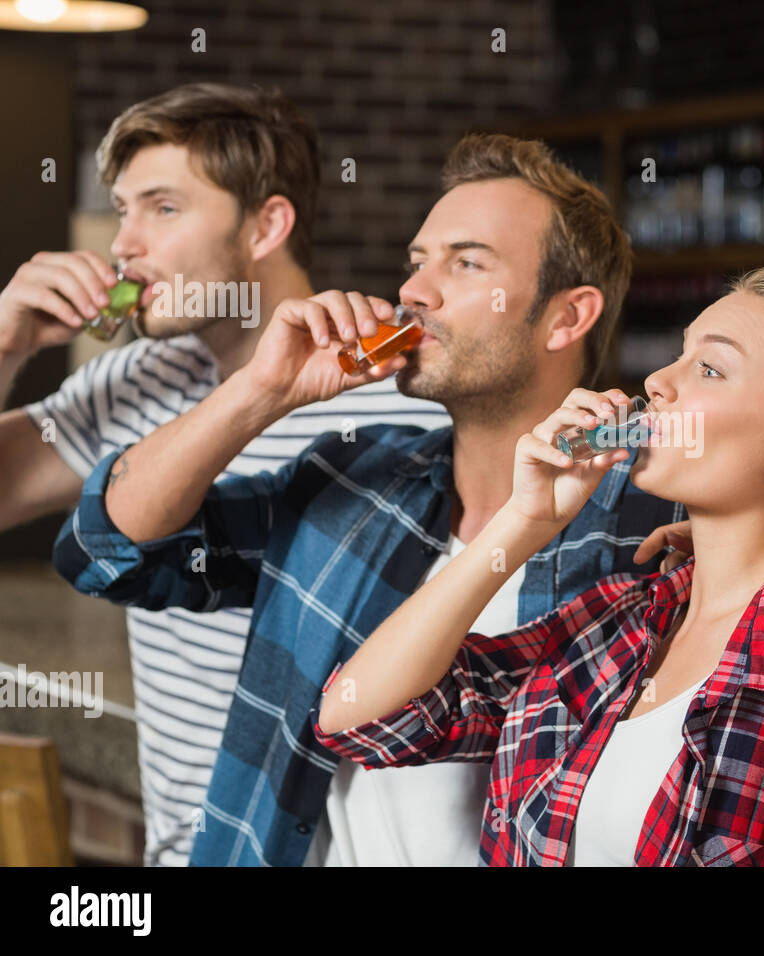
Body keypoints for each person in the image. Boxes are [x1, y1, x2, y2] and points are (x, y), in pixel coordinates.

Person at [54, 133, 686, 866]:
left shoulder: (657, 525)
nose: (414, 291)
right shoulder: (355, 474)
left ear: (568, 317)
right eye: (417, 263)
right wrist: (262, 392)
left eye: (467, 262)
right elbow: (105, 552)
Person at [312, 263, 764, 866]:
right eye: (680, 353)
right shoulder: (620, 620)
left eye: (712, 369)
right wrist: (525, 521)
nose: (659, 382)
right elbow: (361, 718)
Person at [0, 82, 449, 866]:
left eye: (162, 208)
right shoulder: (134, 376)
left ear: (268, 225)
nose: (123, 244)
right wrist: (5, 343)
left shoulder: (395, 402)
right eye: (122, 207)